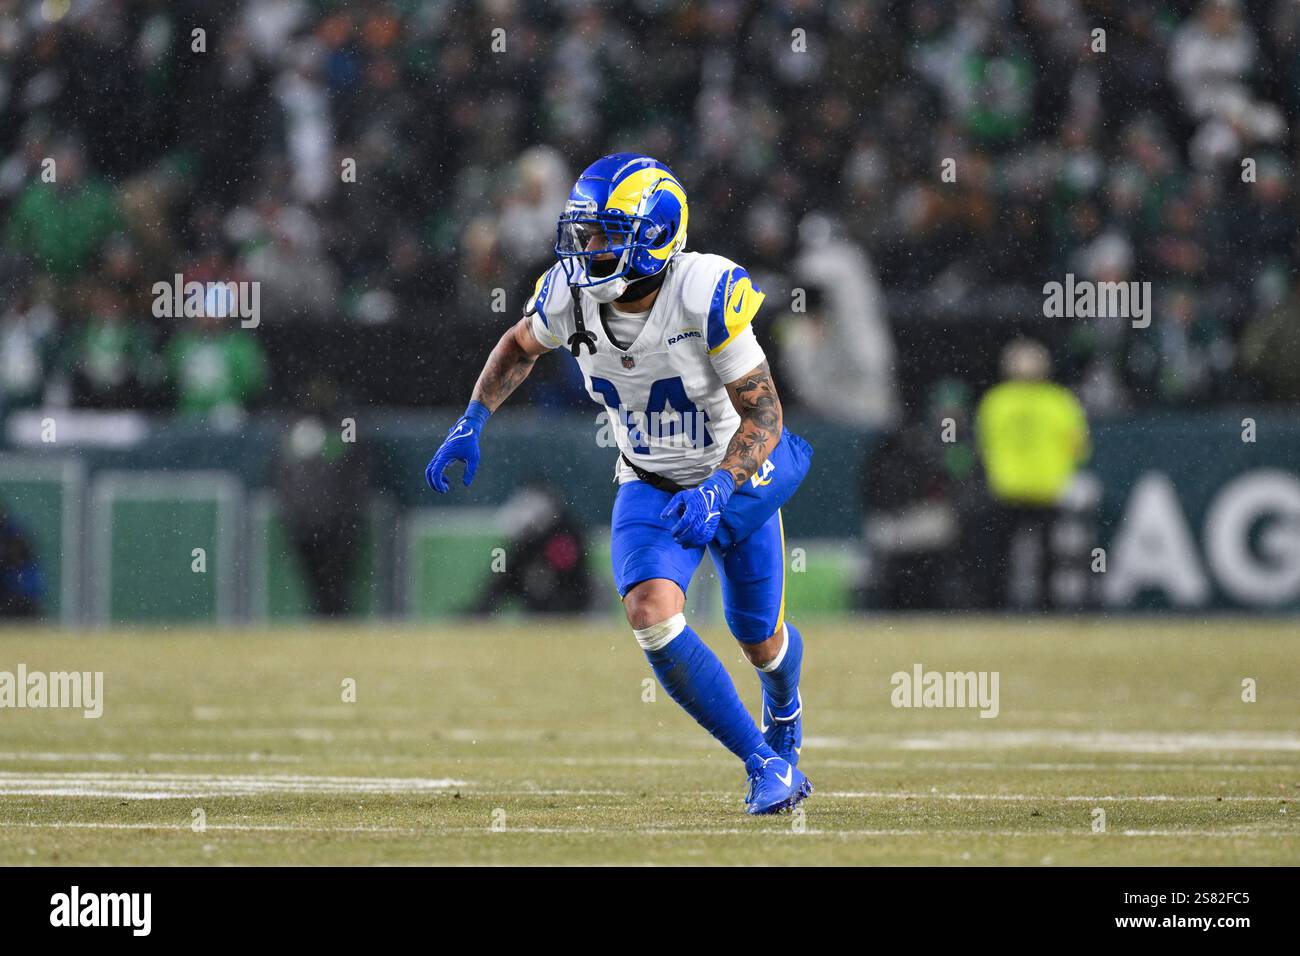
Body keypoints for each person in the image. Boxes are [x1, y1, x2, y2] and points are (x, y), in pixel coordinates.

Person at [424, 154, 815, 815]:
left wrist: (721, 487)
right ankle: (763, 765)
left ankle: (784, 703)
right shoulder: (567, 294)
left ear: (656, 235)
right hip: (649, 478)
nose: (588, 248)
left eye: (605, 233)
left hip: (735, 473)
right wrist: (472, 419)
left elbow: (766, 415)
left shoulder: (702, 292)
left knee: (759, 636)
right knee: (651, 614)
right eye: (584, 233)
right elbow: (520, 343)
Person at [974, 338, 1090, 609]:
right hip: (1045, 487)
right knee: (1046, 556)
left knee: (1002, 554)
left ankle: (998, 606)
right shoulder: (1059, 401)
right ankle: (1045, 608)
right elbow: (1078, 447)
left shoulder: (996, 401)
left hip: (1008, 486)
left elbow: (982, 445)